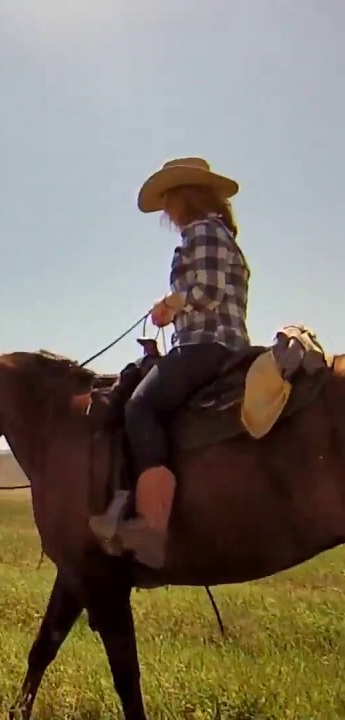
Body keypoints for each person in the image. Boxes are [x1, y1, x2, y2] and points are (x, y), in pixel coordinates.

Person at [89, 157, 252, 569]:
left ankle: (152, 526)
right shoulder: (216, 233)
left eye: (168, 200)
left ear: (184, 197)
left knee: (140, 407)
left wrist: (169, 306)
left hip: (208, 345)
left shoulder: (203, 231)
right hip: (214, 343)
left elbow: (208, 292)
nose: (166, 211)